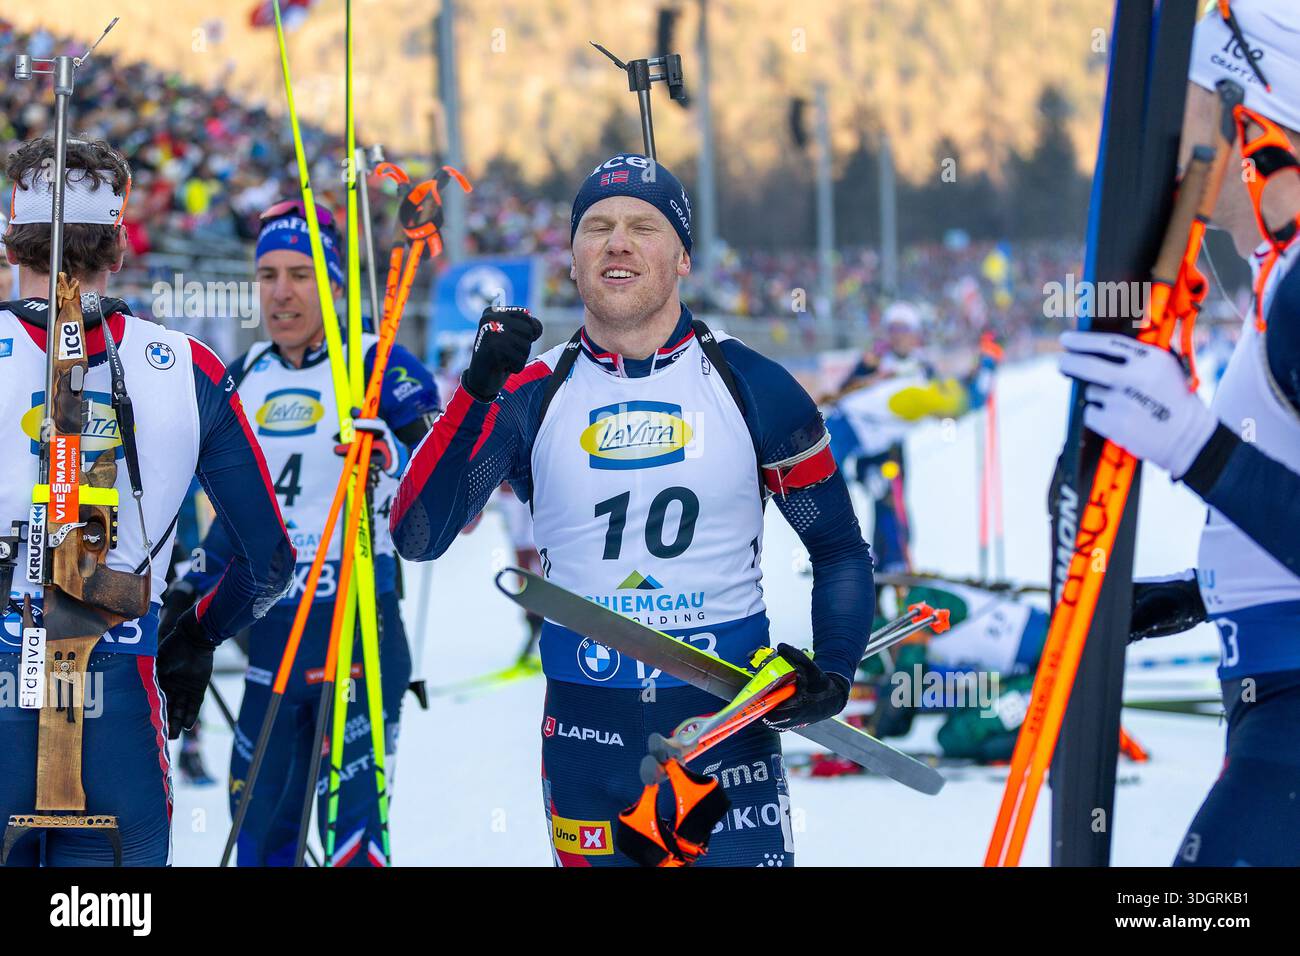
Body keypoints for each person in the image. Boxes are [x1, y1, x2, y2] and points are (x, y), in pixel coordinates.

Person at [392, 153, 874, 867]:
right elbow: (417, 535)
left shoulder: (753, 384)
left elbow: (836, 548)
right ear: (574, 260)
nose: (618, 242)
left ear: (681, 257)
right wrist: (475, 395)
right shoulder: (529, 392)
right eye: (597, 227)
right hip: (587, 739)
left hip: (726, 724)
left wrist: (832, 670)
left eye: (643, 226)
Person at [0, 136, 293, 866]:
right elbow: (271, 562)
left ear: (12, 239)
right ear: (120, 247)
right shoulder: (185, 364)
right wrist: (193, 636)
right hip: (120, 693)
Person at [1059, 0, 1300, 866]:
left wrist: (1196, 445)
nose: (1167, 141)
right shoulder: (1283, 275)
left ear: (1252, 112)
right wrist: (1204, 593)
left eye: (1189, 100)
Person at [163, 201, 440, 866]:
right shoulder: (240, 376)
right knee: (259, 837)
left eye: (302, 274)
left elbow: (441, 504)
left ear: (337, 286)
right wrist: (188, 605)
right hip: (272, 630)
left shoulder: (382, 368)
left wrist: (390, 461)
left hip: (359, 627)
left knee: (354, 843)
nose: (282, 291)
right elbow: (222, 520)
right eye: (267, 275)